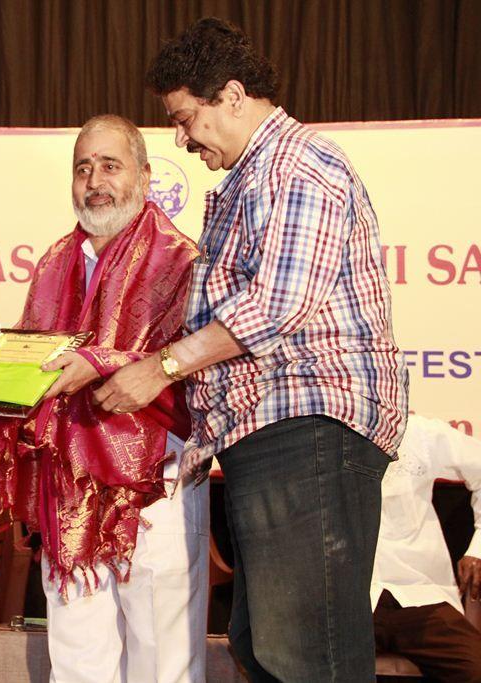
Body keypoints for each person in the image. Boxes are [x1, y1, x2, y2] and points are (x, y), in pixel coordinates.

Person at [93, 18, 408, 681]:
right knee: (264, 648)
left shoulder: (300, 164)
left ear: (232, 95)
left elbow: (276, 304)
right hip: (268, 434)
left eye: (186, 117)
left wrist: (162, 366)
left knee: (306, 656)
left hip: (307, 427)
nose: (181, 137)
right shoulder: (248, 179)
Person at [0, 115, 207, 682]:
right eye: (83, 167)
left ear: (145, 175)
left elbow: (201, 373)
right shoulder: (56, 263)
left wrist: (102, 364)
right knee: (79, 660)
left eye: (110, 165)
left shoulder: (183, 261)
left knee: (164, 661)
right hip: (69, 490)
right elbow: (42, 359)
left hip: (156, 485)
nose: (94, 180)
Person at [372, 414, 481, 681]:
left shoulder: (418, 432)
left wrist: (478, 549)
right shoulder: (317, 436)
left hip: (420, 596)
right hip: (346, 601)